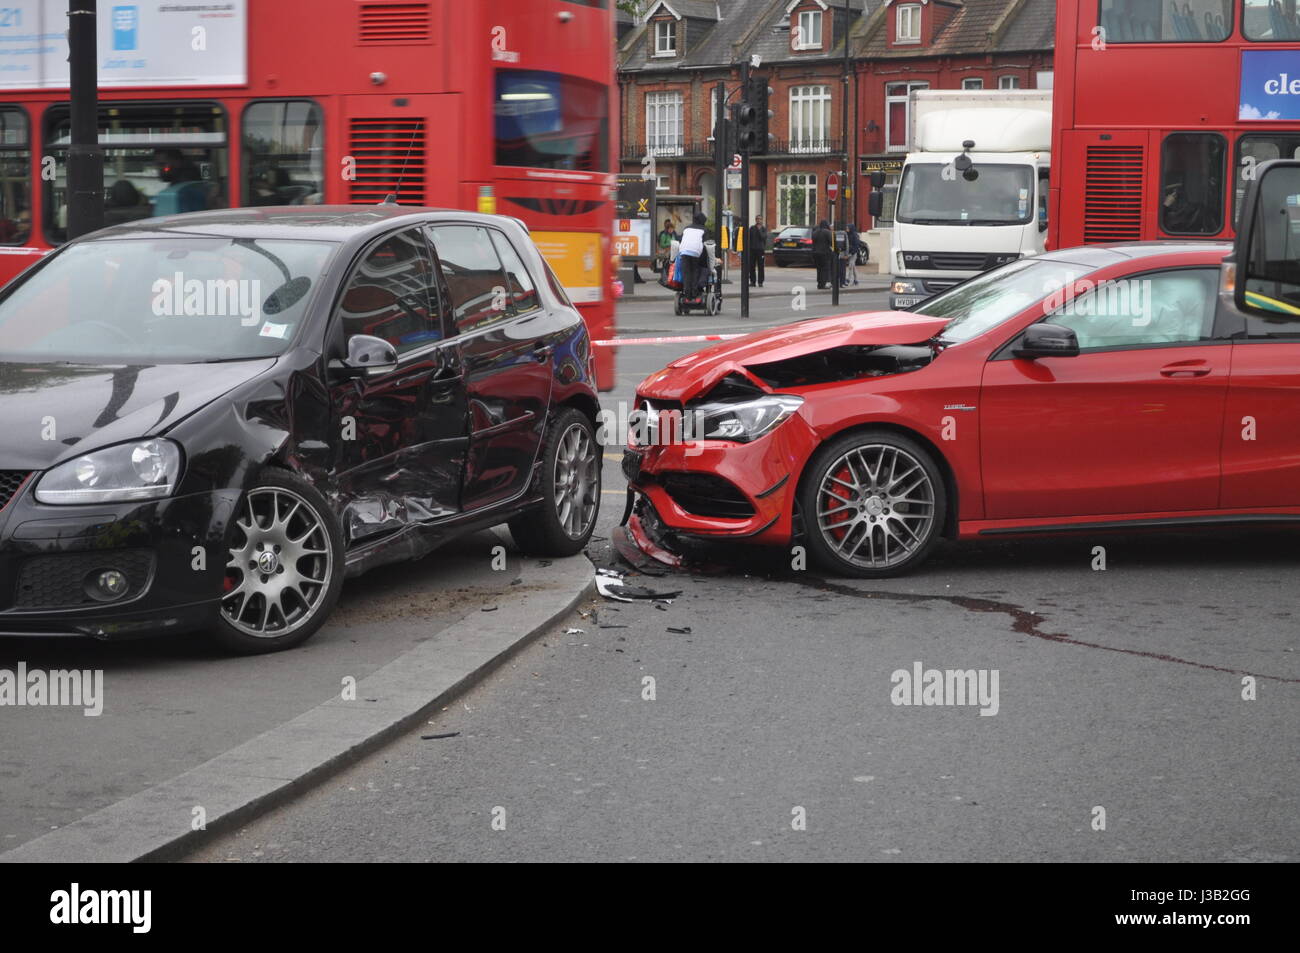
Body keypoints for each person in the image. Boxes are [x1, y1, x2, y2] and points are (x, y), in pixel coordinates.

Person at [677, 212, 710, 300]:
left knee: (686, 272)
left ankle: (687, 293)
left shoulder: (686, 228)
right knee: (695, 270)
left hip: (684, 251)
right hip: (696, 252)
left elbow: (680, 240)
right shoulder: (704, 229)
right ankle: (695, 292)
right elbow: (706, 245)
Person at [811, 219, 833, 289]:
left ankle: (819, 284)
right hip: (825, 253)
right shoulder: (827, 232)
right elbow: (832, 242)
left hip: (815, 253)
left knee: (819, 269)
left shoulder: (815, 232)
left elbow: (813, 242)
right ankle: (823, 284)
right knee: (825, 269)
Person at [747, 216, 768, 288]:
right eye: (757, 219)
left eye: (760, 219)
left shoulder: (764, 229)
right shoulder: (752, 228)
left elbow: (763, 237)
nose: (759, 220)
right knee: (751, 266)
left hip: (760, 250)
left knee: (761, 266)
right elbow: (748, 238)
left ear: (762, 220)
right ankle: (752, 281)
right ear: (755, 220)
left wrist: (759, 230)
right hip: (752, 250)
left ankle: (760, 282)